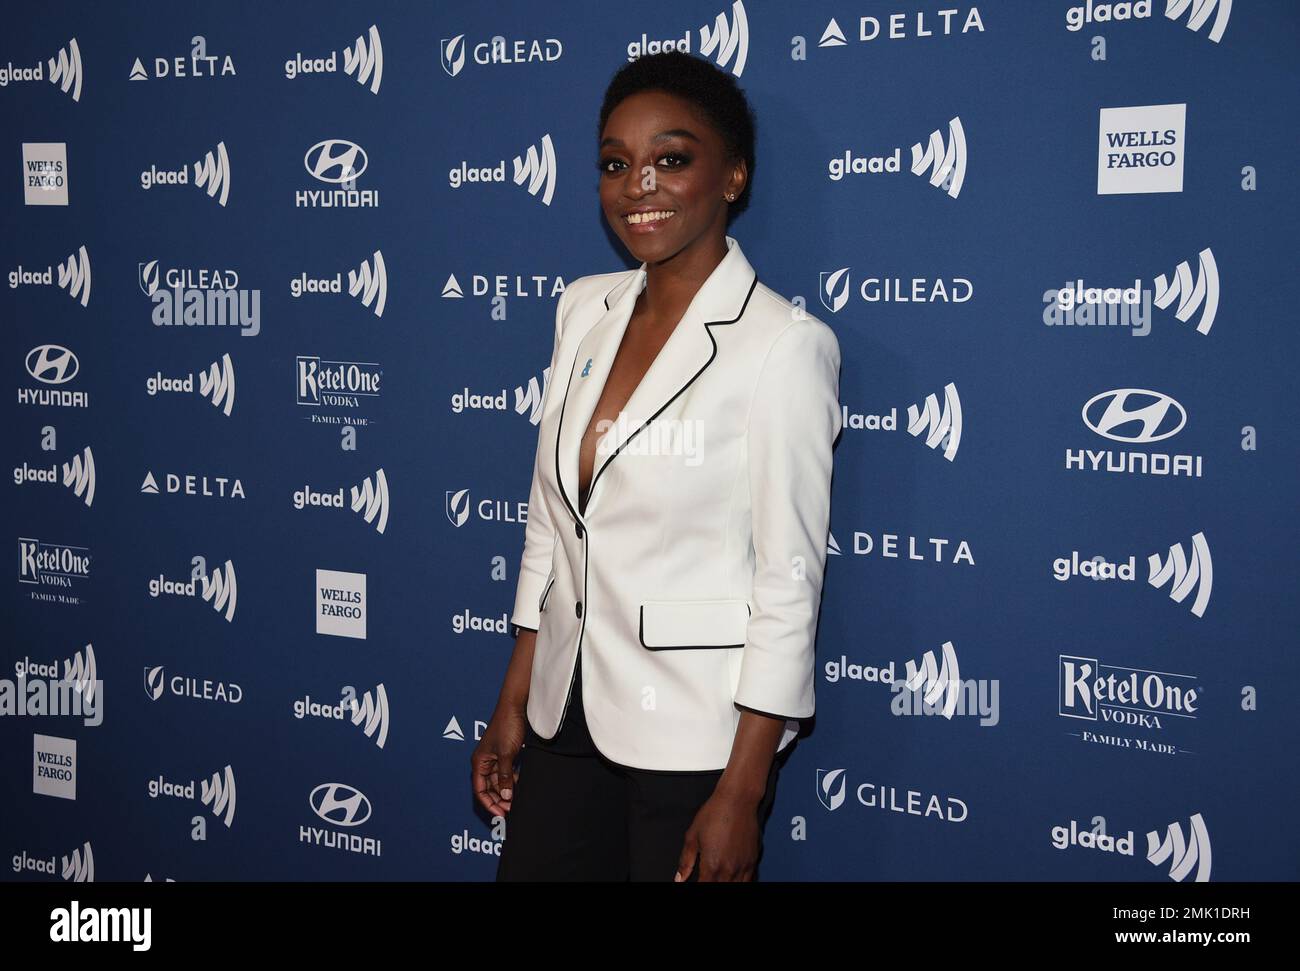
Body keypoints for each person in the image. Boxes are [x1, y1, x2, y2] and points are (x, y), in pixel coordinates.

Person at [472, 51, 842, 882]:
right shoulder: (583, 310)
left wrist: (743, 790)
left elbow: (788, 584)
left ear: (734, 175)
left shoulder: (784, 347)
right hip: (566, 714)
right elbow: (551, 528)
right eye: (616, 163)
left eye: (670, 159)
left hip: (695, 740)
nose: (639, 184)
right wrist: (513, 702)